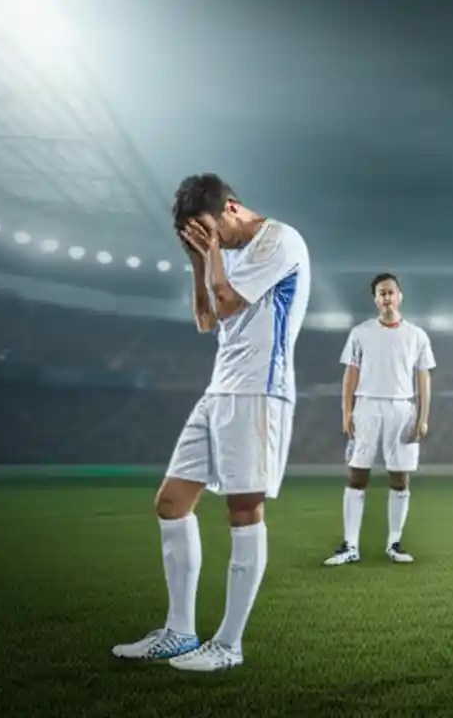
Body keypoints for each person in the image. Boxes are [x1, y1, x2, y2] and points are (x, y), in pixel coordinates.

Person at [111, 173, 312, 671]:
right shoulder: (221, 252)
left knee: (243, 511)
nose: (208, 241)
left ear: (232, 208)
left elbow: (227, 302)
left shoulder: (279, 240)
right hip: (220, 388)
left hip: (259, 391)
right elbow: (207, 320)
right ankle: (180, 631)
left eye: (208, 230)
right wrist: (198, 259)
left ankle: (228, 644)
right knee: (171, 503)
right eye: (196, 236)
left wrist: (215, 257)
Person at [324, 272, 434, 566]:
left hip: (402, 408)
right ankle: (350, 545)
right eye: (381, 293)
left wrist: (423, 417)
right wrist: (346, 412)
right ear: (375, 299)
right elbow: (350, 376)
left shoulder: (417, 335)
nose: (387, 297)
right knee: (357, 473)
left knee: (400, 477)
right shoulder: (361, 333)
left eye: (391, 292)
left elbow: (423, 378)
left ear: (400, 296)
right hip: (367, 405)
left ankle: (394, 543)